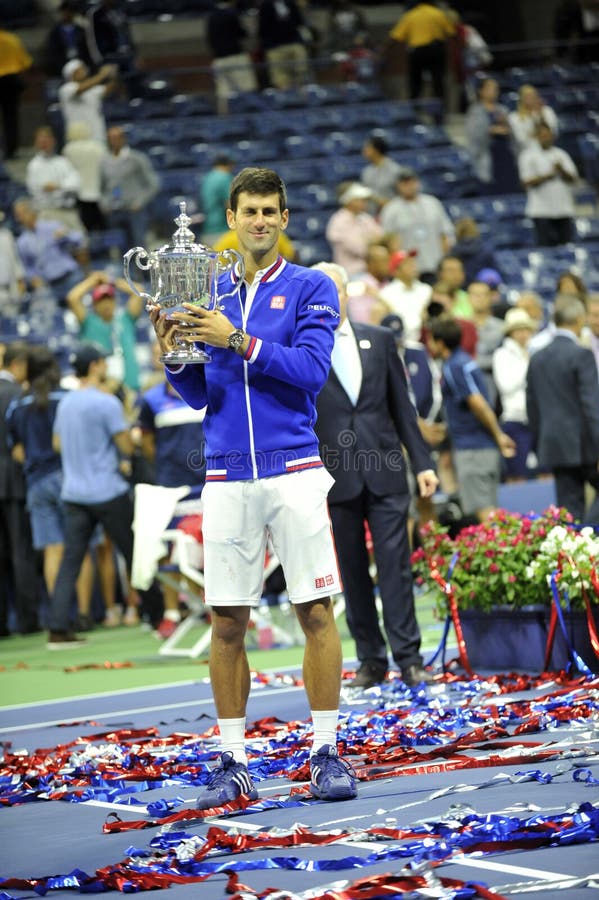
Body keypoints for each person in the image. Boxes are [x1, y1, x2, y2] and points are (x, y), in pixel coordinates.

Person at [148, 166, 357, 806]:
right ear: (231, 219)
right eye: (250, 211)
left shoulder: (311, 286)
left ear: (284, 219)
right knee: (226, 622)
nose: (260, 221)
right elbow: (198, 393)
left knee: (315, 611)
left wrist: (235, 339)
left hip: (294, 470)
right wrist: (173, 354)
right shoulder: (207, 291)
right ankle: (233, 759)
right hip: (226, 474)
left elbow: (310, 370)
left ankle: (326, 752)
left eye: (270, 211)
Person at [313, 262, 439, 689]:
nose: (329, 299)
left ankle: (409, 658)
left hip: (385, 469)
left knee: (395, 568)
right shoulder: (301, 348)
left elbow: (403, 406)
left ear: (347, 294)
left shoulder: (380, 339)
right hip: (334, 476)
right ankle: (371, 660)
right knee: (351, 572)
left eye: (335, 290)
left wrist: (423, 463)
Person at [51, 342, 164, 646]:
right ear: (95, 367)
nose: (105, 366)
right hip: (107, 491)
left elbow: (57, 444)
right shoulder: (106, 403)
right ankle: (157, 616)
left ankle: (57, 627)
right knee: (134, 554)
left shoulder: (65, 403)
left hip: (74, 492)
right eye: (102, 362)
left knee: (71, 561)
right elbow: (126, 446)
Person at [6, 346, 98, 643]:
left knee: (53, 550)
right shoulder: (67, 399)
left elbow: (16, 450)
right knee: (80, 548)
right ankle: (84, 614)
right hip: (70, 479)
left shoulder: (17, 406)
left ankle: (61, 617)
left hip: (37, 483)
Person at [138, 370, 206, 638]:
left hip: (211, 481)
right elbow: (147, 442)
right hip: (172, 488)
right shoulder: (151, 400)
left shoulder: (207, 385)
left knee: (219, 542)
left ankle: (218, 606)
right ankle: (171, 614)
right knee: (171, 548)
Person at [427, 316, 516, 522]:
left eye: (431, 340)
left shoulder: (454, 366)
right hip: (481, 447)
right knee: (489, 509)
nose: (429, 345)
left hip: (473, 450)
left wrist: (499, 435)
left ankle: (504, 544)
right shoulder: (464, 360)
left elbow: (477, 403)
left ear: (440, 343)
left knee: (484, 511)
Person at [526, 295, 599, 522]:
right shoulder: (582, 354)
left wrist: (539, 442)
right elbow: (592, 406)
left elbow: (532, 407)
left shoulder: (537, 358)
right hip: (585, 445)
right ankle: (591, 533)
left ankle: (577, 542)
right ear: (579, 319)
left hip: (554, 445)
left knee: (568, 511)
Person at [0, 343, 39, 636]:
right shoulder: (19, 395)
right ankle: (27, 621)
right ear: (17, 365)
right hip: (14, 480)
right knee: (21, 550)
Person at [65, 269, 144, 391]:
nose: (106, 304)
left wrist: (112, 281)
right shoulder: (88, 322)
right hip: (102, 389)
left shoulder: (125, 319)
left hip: (130, 387)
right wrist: (93, 280)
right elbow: (72, 298)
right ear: (94, 304)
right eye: (101, 301)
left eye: (109, 299)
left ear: (115, 301)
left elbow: (139, 292)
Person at [380, 167, 454, 282]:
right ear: (397, 185)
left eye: (411, 181)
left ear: (417, 182)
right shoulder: (391, 209)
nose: (409, 186)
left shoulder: (432, 203)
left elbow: (444, 234)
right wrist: (399, 267)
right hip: (408, 269)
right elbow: (390, 242)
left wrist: (444, 262)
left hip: (435, 265)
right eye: (404, 183)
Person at [492, 307, 538, 481]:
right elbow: (506, 386)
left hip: (536, 419)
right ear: (510, 332)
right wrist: (527, 365)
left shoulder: (533, 352)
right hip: (514, 420)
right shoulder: (502, 355)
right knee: (516, 475)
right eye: (518, 330)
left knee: (546, 471)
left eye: (526, 329)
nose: (523, 334)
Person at [13, 196, 85, 304]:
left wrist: (66, 235)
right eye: (18, 215)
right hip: (51, 285)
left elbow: (79, 240)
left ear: (31, 212)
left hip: (71, 276)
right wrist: (33, 277)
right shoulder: (22, 242)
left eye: (22, 213)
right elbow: (27, 267)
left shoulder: (51, 226)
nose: (20, 218)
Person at [99, 125, 160, 252]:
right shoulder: (104, 162)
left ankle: (143, 266)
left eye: (117, 137)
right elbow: (102, 187)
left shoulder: (137, 158)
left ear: (123, 139)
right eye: (111, 138)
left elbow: (153, 184)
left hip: (134, 211)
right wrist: (104, 204)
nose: (114, 141)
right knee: (120, 249)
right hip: (114, 212)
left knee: (139, 247)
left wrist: (140, 202)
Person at [387, 2, 455, 114]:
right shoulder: (438, 13)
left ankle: (414, 110)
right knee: (438, 81)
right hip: (436, 50)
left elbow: (395, 37)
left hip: (417, 52)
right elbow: (451, 33)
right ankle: (440, 111)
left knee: (415, 82)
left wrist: (382, 52)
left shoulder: (410, 15)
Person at [519, 121, 578, 248]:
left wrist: (561, 170)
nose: (545, 138)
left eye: (548, 135)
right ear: (536, 137)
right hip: (541, 211)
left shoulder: (561, 154)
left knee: (567, 249)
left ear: (552, 136)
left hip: (564, 210)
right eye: (542, 136)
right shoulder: (528, 156)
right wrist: (548, 176)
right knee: (545, 250)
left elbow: (574, 179)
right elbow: (526, 182)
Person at [465, 77, 520, 194]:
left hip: (507, 158)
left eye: (496, 89)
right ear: (481, 91)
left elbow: (513, 136)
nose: (494, 91)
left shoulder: (502, 110)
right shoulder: (475, 111)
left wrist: (506, 125)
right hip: (489, 160)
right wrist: (490, 130)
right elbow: (473, 138)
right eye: (490, 88)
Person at [26, 125, 84, 232]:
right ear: (36, 143)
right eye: (41, 141)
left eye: (47, 140)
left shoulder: (63, 162)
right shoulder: (33, 165)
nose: (44, 144)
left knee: (81, 238)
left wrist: (58, 186)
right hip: (46, 212)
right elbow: (38, 190)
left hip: (67, 211)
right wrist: (61, 188)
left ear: (53, 141)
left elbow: (76, 184)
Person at [206, 0, 258, 115]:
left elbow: (209, 40)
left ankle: (224, 117)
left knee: (223, 91)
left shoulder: (211, 17)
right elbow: (241, 33)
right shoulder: (231, 14)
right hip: (236, 57)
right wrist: (250, 29)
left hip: (219, 59)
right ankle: (249, 115)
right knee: (246, 87)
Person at [325, 182, 383, 276]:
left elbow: (381, 238)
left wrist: (373, 242)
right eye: (360, 199)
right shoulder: (339, 221)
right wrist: (372, 242)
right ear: (349, 200)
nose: (364, 202)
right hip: (351, 272)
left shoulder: (365, 218)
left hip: (371, 271)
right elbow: (360, 248)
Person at [373, 249, 432, 339]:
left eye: (413, 263)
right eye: (407, 264)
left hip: (422, 339)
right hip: (398, 338)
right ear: (396, 270)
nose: (413, 267)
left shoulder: (426, 290)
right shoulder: (386, 293)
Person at [58, 57, 117, 145]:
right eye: (80, 68)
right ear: (72, 73)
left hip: (97, 135)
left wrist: (113, 75)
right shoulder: (66, 89)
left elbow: (109, 88)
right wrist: (102, 74)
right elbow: (80, 89)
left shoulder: (92, 89)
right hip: (78, 140)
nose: (84, 70)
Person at [258, 0, 311, 89]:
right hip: (275, 47)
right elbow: (263, 28)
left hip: (294, 43)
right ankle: (285, 95)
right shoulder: (265, 5)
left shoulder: (290, 3)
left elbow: (299, 21)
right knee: (280, 78)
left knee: (301, 73)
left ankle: (302, 94)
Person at [0, 26, 32, 160]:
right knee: (11, 118)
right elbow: (25, 63)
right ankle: (11, 151)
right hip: (11, 80)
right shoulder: (12, 39)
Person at [41, 0, 94, 79]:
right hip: (63, 64)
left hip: (80, 61)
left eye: (70, 12)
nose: (67, 14)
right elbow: (53, 52)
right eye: (65, 12)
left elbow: (87, 49)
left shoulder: (80, 30)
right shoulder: (55, 32)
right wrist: (61, 66)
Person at [508, 84, 559, 156]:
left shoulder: (547, 111)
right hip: (526, 153)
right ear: (521, 98)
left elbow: (553, 133)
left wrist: (541, 116)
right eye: (526, 96)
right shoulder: (514, 117)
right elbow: (521, 139)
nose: (530, 98)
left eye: (532, 95)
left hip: (548, 151)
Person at [200, 154, 235, 247]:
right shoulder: (225, 177)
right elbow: (230, 203)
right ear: (229, 165)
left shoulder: (207, 177)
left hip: (208, 227)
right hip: (222, 229)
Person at [360, 135, 402, 210]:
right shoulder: (366, 171)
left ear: (376, 150)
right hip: (371, 213)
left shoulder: (395, 170)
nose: (364, 150)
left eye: (368, 148)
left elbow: (402, 197)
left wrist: (375, 199)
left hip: (392, 212)